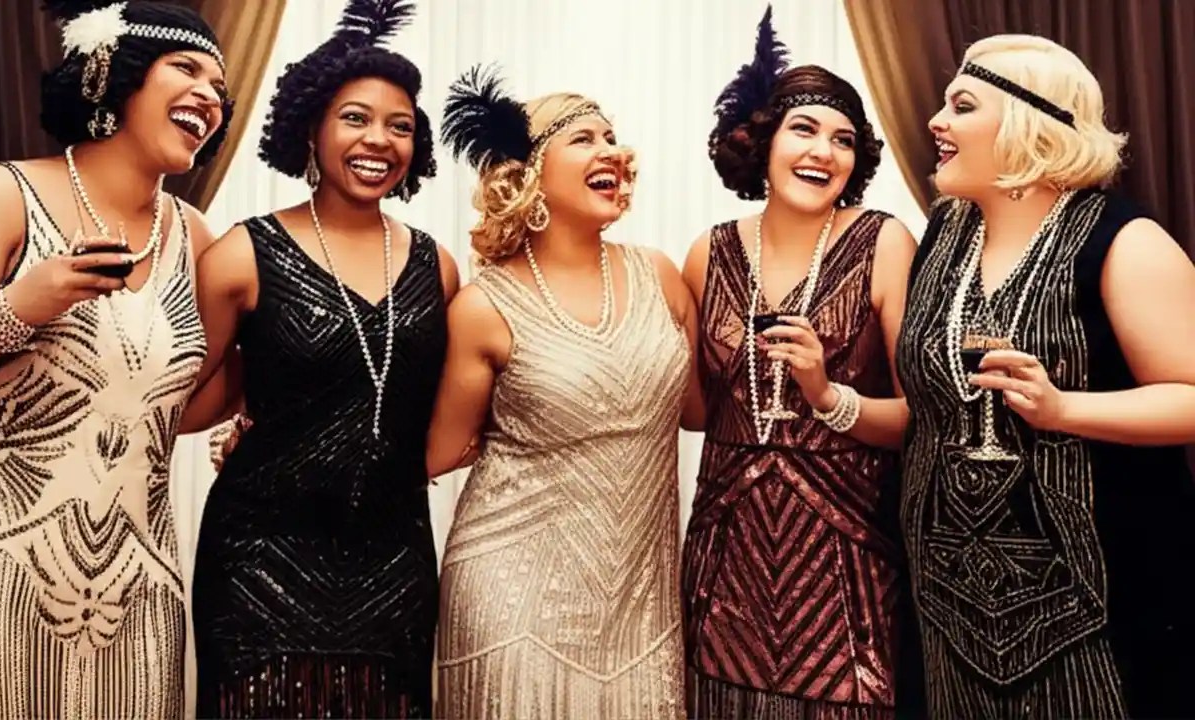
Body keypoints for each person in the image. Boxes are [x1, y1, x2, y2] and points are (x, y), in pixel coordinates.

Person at [0, 0, 230, 717]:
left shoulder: (198, 238)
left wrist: (261, 401)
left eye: (220, 88)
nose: (210, 97)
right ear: (112, 76)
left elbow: (169, 409)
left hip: (132, 593)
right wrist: (20, 306)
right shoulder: (5, 195)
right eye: (187, 69)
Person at [897, 33, 1195, 718]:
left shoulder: (1126, 241)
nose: (937, 123)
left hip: (1106, 599)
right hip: (945, 604)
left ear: (1029, 125)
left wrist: (1064, 410)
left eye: (962, 106)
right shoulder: (943, 236)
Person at [184, 1, 456, 717]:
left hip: (394, 557)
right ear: (311, 129)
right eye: (355, 118)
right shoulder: (243, 253)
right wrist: (250, 409)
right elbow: (180, 398)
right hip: (260, 556)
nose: (379, 140)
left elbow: (443, 411)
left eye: (400, 126)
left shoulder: (439, 266)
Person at [427, 65, 704, 719]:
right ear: (528, 173)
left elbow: (701, 413)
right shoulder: (483, 305)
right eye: (584, 139)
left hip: (641, 602)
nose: (613, 150)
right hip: (510, 598)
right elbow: (439, 451)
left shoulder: (661, 277)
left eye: (613, 138)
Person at [680, 6, 919, 719]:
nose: (824, 151)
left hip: (845, 559)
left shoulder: (882, 242)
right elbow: (696, 408)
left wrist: (825, 393)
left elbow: (918, 418)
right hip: (727, 558)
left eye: (843, 139)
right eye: (805, 129)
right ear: (763, 142)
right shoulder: (710, 251)